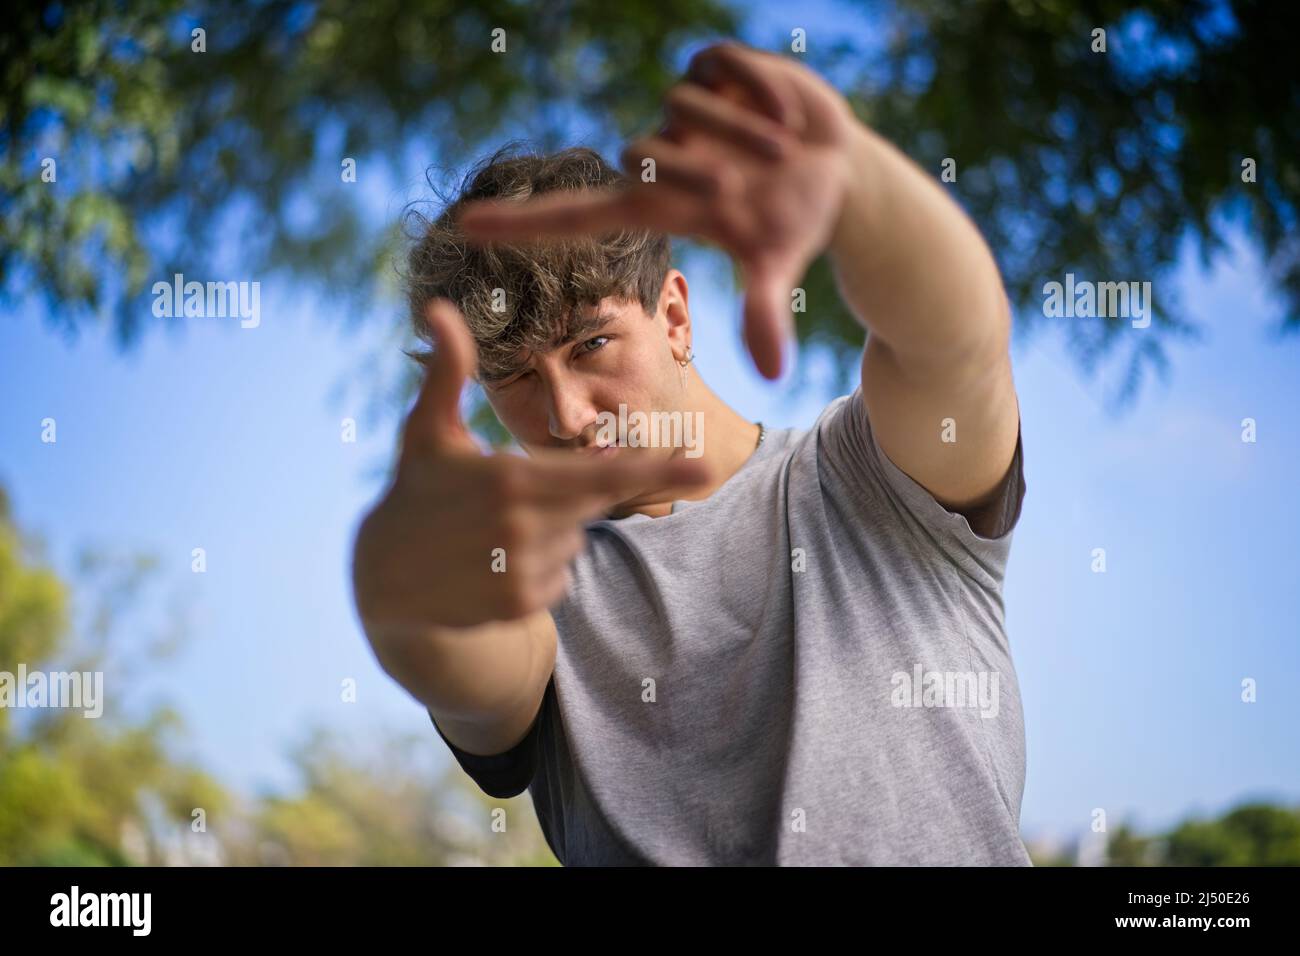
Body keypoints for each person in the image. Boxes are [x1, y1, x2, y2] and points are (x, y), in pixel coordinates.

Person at [351, 41, 1028, 865]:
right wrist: (407, 605)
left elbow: (956, 347)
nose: (565, 414)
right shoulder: (531, 573)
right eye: (514, 376)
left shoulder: (864, 478)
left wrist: (861, 190)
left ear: (674, 316)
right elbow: (487, 679)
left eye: (592, 344)